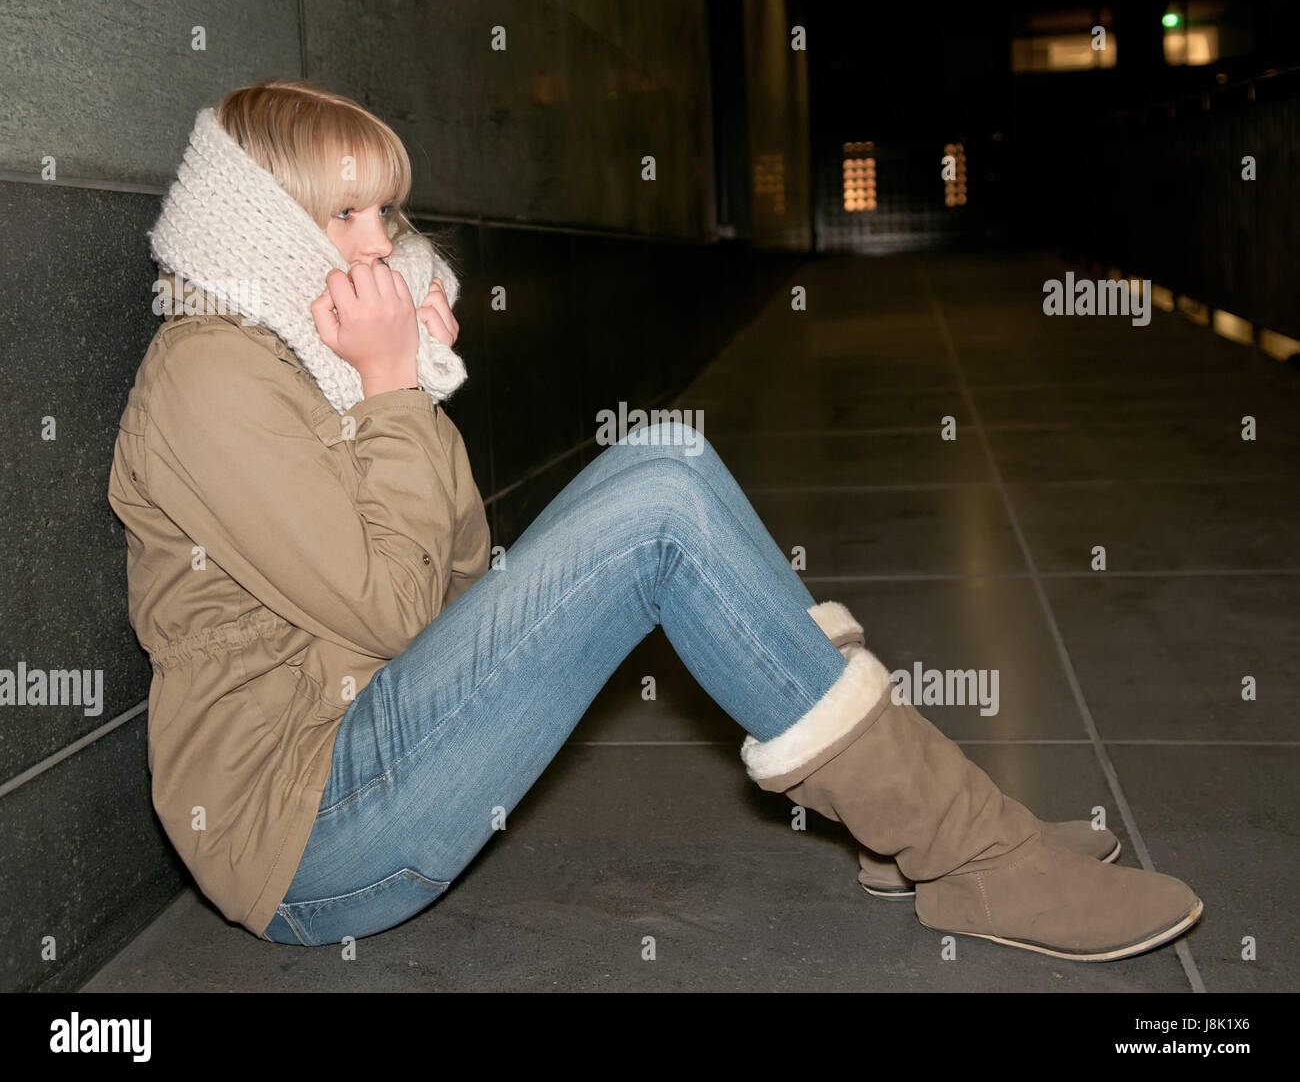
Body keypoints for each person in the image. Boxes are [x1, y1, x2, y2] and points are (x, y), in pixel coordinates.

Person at [107, 78, 1202, 961]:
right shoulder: (211, 372)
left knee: (666, 456)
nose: (381, 242)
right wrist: (396, 389)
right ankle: (956, 842)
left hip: (374, 752)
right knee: (662, 501)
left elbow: (456, 581)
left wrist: (409, 387)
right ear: (264, 228)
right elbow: (400, 614)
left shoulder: (312, 361)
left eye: (386, 210)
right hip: (310, 835)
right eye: (345, 215)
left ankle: (926, 829)